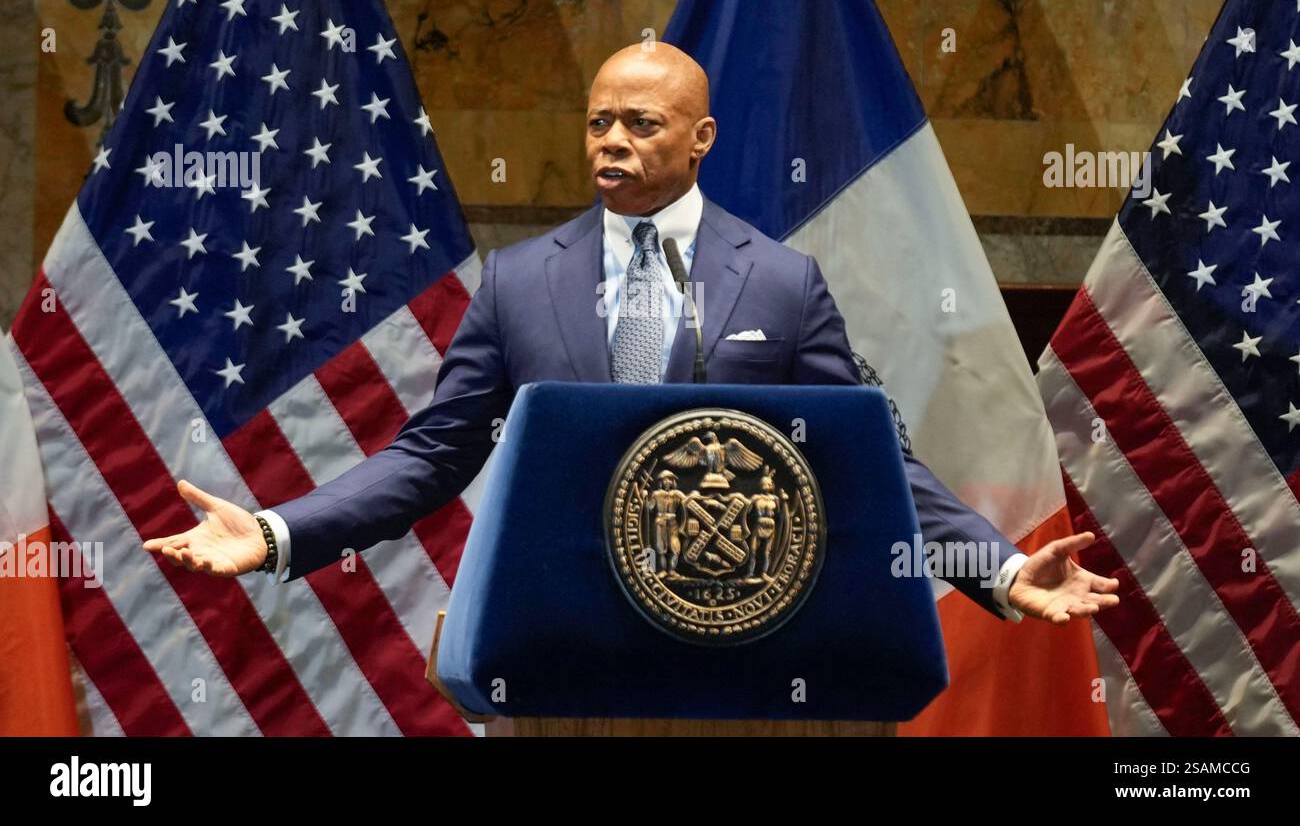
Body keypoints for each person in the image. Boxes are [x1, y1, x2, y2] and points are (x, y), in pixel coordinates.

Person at [144, 43, 1120, 626]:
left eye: (640, 122)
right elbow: (430, 455)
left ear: (700, 138)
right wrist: (276, 530)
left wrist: (992, 567)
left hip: (741, 633)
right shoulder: (519, 282)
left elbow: (868, 458)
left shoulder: (782, 282)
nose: (611, 139)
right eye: (598, 121)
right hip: (558, 635)